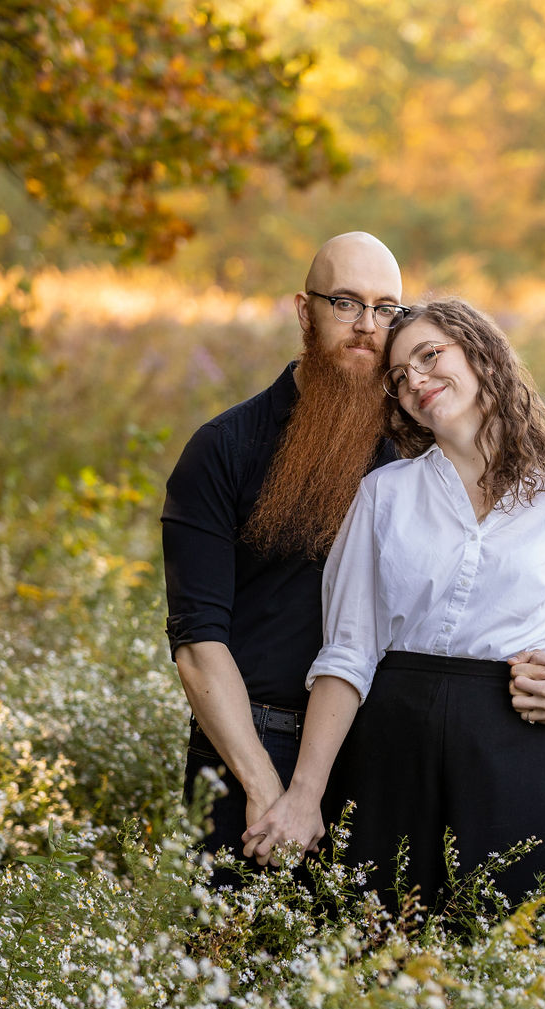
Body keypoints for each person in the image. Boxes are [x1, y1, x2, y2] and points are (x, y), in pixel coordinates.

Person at [245, 298, 545, 915]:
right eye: (399, 377)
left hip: (516, 749)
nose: (416, 382)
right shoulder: (383, 495)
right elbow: (347, 653)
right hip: (389, 750)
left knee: (519, 961)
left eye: (430, 356)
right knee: (376, 960)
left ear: (482, 353)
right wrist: (305, 793)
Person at [160, 232, 407, 885]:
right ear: (305, 311)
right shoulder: (222, 449)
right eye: (346, 302)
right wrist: (266, 787)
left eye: (387, 309)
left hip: (379, 753)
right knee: (228, 969)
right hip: (250, 748)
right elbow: (196, 641)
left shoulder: (419, 455)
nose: (367, 326)